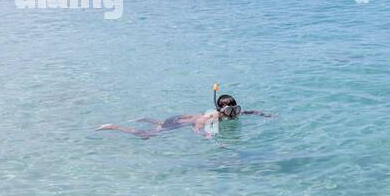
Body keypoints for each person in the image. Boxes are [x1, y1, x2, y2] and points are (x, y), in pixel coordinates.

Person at [97, 84, 272, 138]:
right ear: (221, 110)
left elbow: (248, 112)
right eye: (230, 110)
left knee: (160, 124)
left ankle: (146, 118)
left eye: (235, 109)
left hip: (181, 117)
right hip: (177, 122)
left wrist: (263, 115)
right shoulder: (212, 117)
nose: (233, 113)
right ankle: (113, 126)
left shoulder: (230, 113)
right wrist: (205, 135)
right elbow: (196, 126)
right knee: (147, 135)